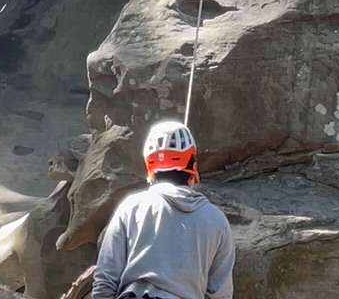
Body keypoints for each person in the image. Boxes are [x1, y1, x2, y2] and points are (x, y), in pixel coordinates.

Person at [92, 121, 234, 299]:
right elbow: (220, 295)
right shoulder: (216, 221)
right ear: (193, 168)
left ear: (149, 168)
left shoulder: (131, 208)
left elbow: (105, 281)